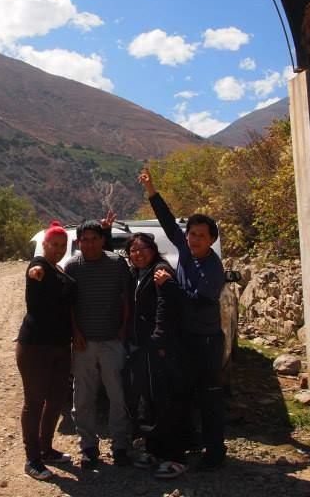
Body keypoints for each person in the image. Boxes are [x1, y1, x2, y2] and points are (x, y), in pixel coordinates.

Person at [139, 167, 228, 470]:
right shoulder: (187, 251)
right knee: (183, 393)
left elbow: (198, 304)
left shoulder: (213, 268)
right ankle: (189, 444)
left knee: (210, 398)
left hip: (206, 341)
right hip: (186, 339)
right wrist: (152, 191)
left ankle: (215, 454)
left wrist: (169, 284)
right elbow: (167, 222)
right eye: (191, 234)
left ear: (211, 239)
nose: (193, 240)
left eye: (201, 236)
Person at [64, 218, 133, 469]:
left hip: (112, 340)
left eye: (95, 239)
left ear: (103, 240)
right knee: (83, 396)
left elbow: (126, 299)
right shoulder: (72, 267)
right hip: (84, 343)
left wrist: (123, 330)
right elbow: (69, 305)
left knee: (118, 396)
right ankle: (88, 446)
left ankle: (121, 445)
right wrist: (76, 332)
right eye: (85, 240)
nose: (90, 244)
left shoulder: (117, 264)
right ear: (78, 242)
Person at [124, 232, 191, 479]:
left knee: (166, 400)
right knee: (148, 400)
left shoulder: (160, 271)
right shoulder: (136, 274)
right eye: (133, 250)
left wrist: (158, 339)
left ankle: (176, 457)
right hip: (141, 347)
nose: (138, 253)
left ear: (153, 250)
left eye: (143, 249)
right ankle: (154, 449)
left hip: (160, 348)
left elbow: (166, 307)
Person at [15, 221, 77, 481]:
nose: (59, 249)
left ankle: (46, 448)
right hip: (35, 346)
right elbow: (35, 271)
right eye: (54, 245)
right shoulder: (39, 265)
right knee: (35, 402)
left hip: (61, 346)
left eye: (63, 246)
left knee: (56, 400)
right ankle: (32, 459)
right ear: (45, 245)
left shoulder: (59, 269)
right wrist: (36, 271)